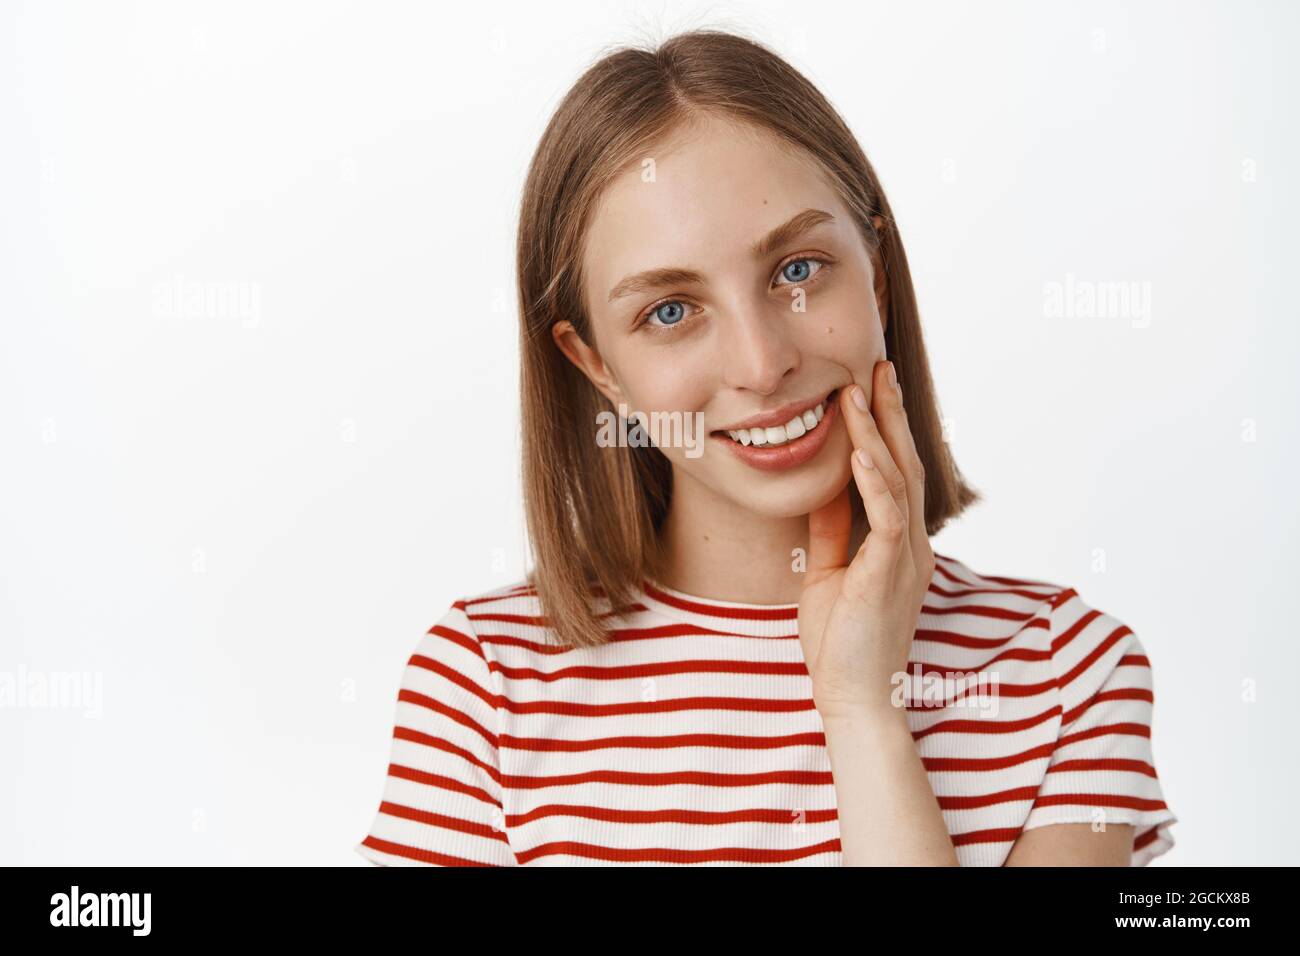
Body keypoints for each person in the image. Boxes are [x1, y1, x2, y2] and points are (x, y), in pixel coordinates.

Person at [355, 28, 1176, 866]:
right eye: (671, 311)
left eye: (798, 271)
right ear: (597, 365)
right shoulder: (485, 693)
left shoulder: (1065, 672)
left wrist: (863, 712)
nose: (762, 364)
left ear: (878, 273)